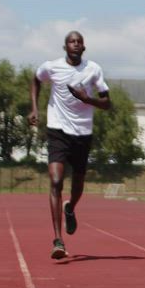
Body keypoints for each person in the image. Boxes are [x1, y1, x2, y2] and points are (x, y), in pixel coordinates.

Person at [29, 31, 111, 259]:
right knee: (55, 181)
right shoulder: (51, 67)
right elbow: (36, 80)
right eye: (71, 42)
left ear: (84, 48)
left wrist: (88, 99)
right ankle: (58, 240)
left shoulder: (93, 70)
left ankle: (71, 207)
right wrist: (35, 108)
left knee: (78, 184)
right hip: (57, 130)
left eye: (79, 42)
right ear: (65, 47)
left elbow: (107, 103)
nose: (76, 45)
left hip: (83, 132)